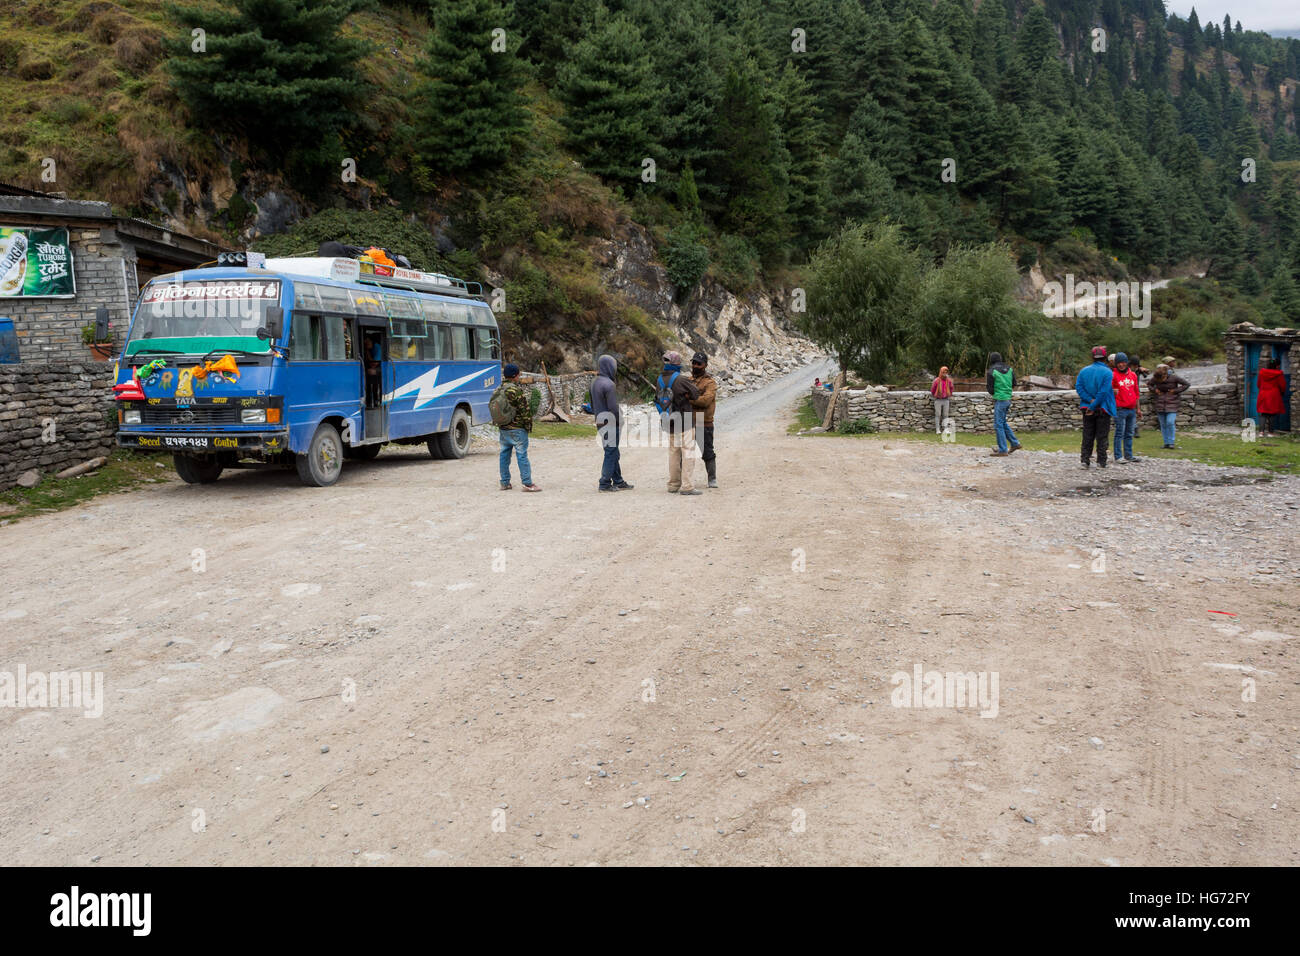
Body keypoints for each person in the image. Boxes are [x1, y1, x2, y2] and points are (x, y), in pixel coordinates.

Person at [658, 350, 701, 495]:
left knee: (673, 453)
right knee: (688, 452)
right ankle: (687, 486)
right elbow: (696, 394)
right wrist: (686, 395)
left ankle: (673, 484)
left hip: (668, 422)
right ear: (677, 363)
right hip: (685, 421)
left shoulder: (659, 380)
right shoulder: (681, 379)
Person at [590, 354, 633, 492]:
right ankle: (604, 483)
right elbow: (613, 408)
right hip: (611, 423)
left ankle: (619, 481)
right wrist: (619, 421)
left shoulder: (595, 382)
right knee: (610, 453)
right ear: (609, 367)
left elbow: (592, 404)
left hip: (600, 422)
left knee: (613, 452)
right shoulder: (609, 384)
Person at [498, 363, 541, 492]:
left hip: (503, 428)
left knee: (504, 454)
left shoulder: (498, 389)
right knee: (522, 454)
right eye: (518, 375)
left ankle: (505, 482)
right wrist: (528, 426)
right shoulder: (515, 390)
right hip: (517, 428)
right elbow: (525, 410)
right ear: (515, 376)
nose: (519, 377)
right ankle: (527, 483)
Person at [1076, 346, 1116, 469]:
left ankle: (1085, 460)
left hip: (1086, 408)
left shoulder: (1083, 371)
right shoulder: (1108, 372)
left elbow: (1079, 388)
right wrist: (1094, 405)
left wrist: (1089, 402)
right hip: (1102, 408)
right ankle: (1101, 462)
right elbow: (1103, 393)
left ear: (1092, 357)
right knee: (1102, 435)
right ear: (1105, 357)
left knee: (1087, 434)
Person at [689, 351, 719, 488]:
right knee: (686, 452)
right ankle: (685, 480)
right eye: (693, 363)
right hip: (689, 420)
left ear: (705, 365)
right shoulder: (688, 381)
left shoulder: (710, 383)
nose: (695, 365)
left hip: (703, 421)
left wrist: (689, 399)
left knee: (707, 451)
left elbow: (706, 401)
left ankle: (712, 479)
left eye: (698, 363)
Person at [985, 352, 1021, 456]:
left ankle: (1003, 450)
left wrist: (996, 392)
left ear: (991, 360)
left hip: (1000, 400)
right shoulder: (1009, 369)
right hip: (1008, 399)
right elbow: (1014, 383)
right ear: (1000, 359)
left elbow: (990, 389)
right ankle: (1015, 443)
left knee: (998, 425)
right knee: (1003, 423)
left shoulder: (992, 371)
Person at [1148, 363, 1189, 449]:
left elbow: (1186, 384)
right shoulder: (1156, 377)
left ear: (1165, 374)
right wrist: (1155, 390)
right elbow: (1149, 384)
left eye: (1161, 379)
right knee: (1163, 424)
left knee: (1170, 422)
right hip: (1159, 403)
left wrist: (1175, 391)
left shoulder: (1174, 378)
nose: (1160, 381)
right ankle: (1166, 443)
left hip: (1172, 403)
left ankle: (1171, 442)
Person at [1111, 353, 1141, 463]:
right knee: (1120, 432)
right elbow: (1108, 390)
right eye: (1119, 363)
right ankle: (1118, 456)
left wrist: (1138, 409)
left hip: (1131, 408)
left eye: (1123, 362)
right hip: (1120, 408)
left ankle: (1129, 455)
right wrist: (1112, 391)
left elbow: (1136, 393)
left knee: (1129, 433)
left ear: (1126, 362)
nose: (1121, 365)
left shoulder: (1133, 375)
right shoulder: (1113, 375)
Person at [1255, 357, 1287, 437]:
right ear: (1277, 366)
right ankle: (1270, 432)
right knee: (1272, 414)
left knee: (1263, 413)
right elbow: (1282, 385)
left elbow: (1258, 384)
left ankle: (1261, 432)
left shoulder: (1262, 372)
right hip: (1273, 395)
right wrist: (1282, 392)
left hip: (1263, 393)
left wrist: (1263, 388)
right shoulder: (1279, 374)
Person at [930, 366, 954, 435]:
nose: (945, 373)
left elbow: (951, 388)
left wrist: (949, 393)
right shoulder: (936, 380)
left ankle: (946, 429)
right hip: (938, 400)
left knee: (945, 415)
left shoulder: (949, 381)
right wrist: (936, 394)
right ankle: (937, 429)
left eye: (946, 372)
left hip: (946, 399)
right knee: (938, 415)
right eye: (943, 372)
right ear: (941, 372)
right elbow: (932, 389)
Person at [364, 333, 382, 407]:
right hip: (371, 367)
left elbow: (374, 364)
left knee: (372, 372)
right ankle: (369, 401)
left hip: (380, 367)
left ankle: (377, 401)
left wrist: (367, 350)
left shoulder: (377, 347)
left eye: (367, 341)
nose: (366, 343)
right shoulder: (368, 347)